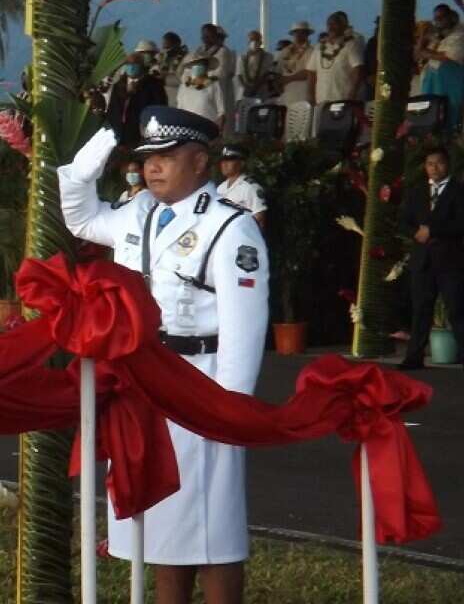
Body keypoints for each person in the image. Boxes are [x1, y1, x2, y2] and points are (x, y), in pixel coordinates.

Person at [59, 106, 269, 604]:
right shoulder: (140, 212)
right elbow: (83, 218)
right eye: (148, 157)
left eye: (167, 157)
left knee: (212, 529)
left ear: (200, 163)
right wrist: (87, 162)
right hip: (141, 385)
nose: (152, 167)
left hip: (199, 384)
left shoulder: (230, 227)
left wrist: (231, 406)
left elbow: (245, 326)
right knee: (162, 526)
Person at [399, 147, 464, 372]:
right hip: (423, 261)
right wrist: (415, 232)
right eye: (430, 164)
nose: (434, 168)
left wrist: (432, 230)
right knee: (421, 310)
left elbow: (462, 224)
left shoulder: (461, 192)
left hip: (450, 261)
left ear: (447, 165)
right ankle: (414, 358)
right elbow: (404, 221)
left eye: (439, 163)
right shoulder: (416, 192)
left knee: (457, 309)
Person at [418, 4, 464, 134]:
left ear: (450, 17)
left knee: (449, 121)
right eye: (436, 18)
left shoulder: (459, 35)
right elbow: (417, 54)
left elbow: (445, 57)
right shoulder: (435, 38)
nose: (438, 21)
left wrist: (425, 52)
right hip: (431, 86)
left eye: (441, 17)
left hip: (450, 87)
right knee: (428, 121)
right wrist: (423, 37)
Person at [105, 51, 169, 148]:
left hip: (140, 137)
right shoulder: (118, 85)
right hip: (118, 136)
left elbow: (160, 109)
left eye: (134, 64)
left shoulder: (154, 85)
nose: (131, 67)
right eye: (128, 64)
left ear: (142, 65)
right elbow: (112, 110)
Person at [307, 12, 365, 106]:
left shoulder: (351, 45)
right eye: (329, 24)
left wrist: (352, 94)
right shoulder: (318, 47)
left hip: (343, 99)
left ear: (344, 26)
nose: (331, 27)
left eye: (335, 24)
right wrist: (310, 96)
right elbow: (311, 73)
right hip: (321, 100)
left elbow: (358, 70)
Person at [216, 145, 266, 228]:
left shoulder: (251, 188)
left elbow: (259, 220)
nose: (224, 164)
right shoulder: (220, 188)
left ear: (241, 163)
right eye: (223, 160)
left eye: (229, 160)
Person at [176, 56, 225, 128]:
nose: (200, 66)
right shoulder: (183, 86)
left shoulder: (213, 84)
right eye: (196, 64)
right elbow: (179, 110)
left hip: (208, 126)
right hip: (188, 127)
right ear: (191, 67)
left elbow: (221, 111)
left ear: (207, 67)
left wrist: (218, 129)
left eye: (203, 64)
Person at [275, 21, 315, 107]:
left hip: (303, 94)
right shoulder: (285, 51)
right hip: (287, 95)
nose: (299, 34)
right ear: (293, 34)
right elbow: (278, 72)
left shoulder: (312, 51)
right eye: (296, 32)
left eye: (303, 32)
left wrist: (288, 79)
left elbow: (308, 72)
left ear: (307, 34)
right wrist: (279, 86)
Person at [236, 30, 274, 101]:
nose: (254, 42)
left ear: (261, 42)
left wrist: (256, 87)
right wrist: (246, 87)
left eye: (256, 40)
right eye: (252, 40)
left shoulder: (268, 56)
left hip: (261, 89)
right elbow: (239, 74)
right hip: (246, 91)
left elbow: (268, 73)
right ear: (248, 42)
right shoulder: (242, 57)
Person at [157, 32, 188, 103]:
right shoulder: (161, 58)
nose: (165, 50)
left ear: (177, 45)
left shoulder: (186, 59)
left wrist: (164, 78)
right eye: (164, 47)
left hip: (178, 99)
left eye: (168, 47)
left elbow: (183, 81)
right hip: (163, 98)